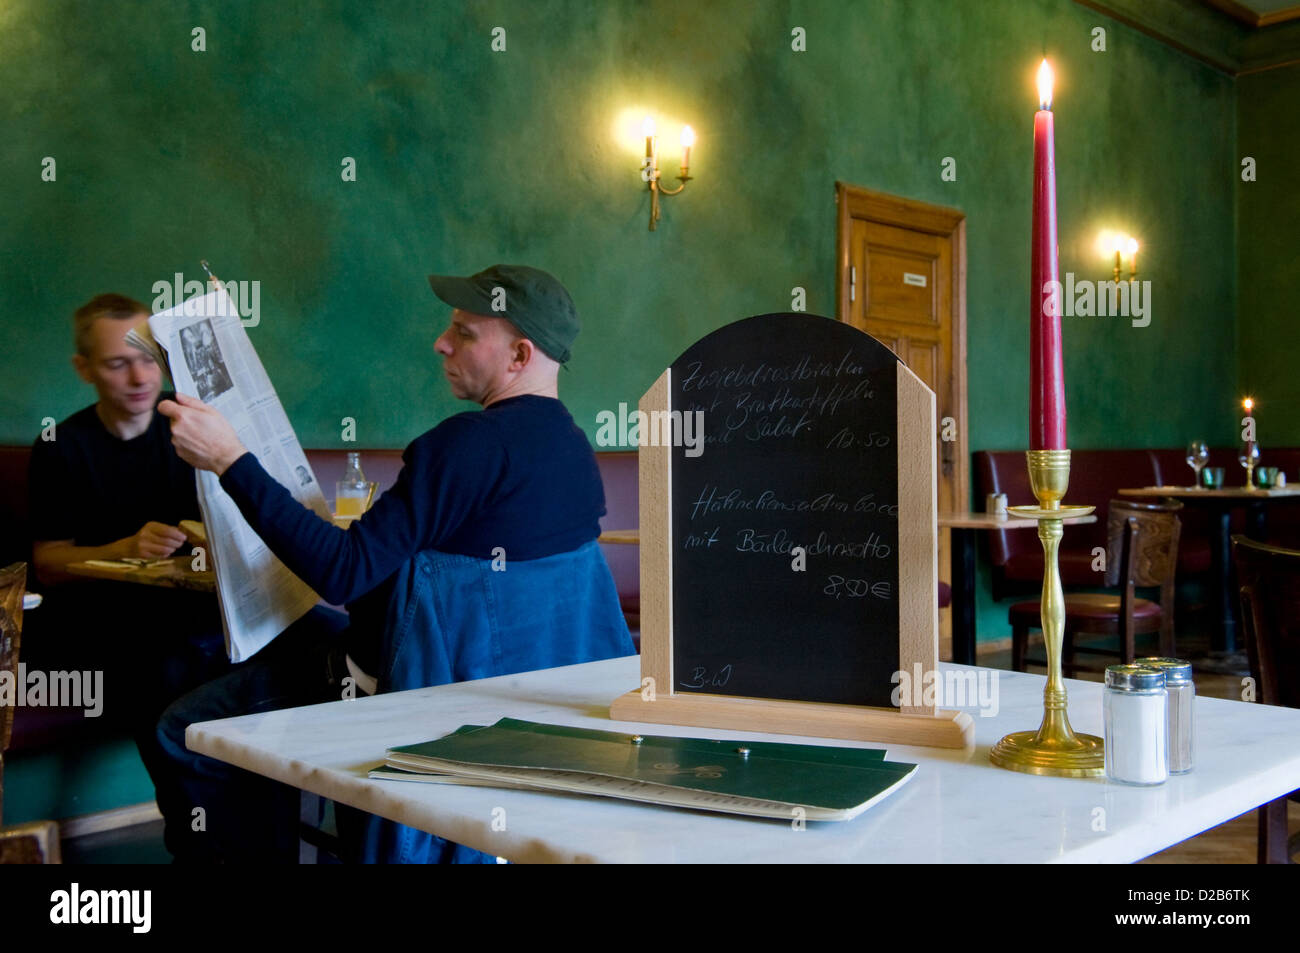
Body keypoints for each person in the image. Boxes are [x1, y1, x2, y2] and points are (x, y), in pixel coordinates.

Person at [156, 265, 632, 862]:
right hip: (513, 696)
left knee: (183, 729)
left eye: (462, 331)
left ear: (519, 354)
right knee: (284, 639)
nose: (441, 342)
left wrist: (230, 460)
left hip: (404, 687)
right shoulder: (572, 448)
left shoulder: (468, 445)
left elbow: (343, 574)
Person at [26, 293, 231, 853]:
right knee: (168, 669)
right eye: (118, 362)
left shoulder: (188, 424)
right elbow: (48, 563)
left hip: (191, 618)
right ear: (84, 369)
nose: (140, 375)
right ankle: (197, 837)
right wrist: (123, 548)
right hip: (100, 628)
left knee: (272, 650)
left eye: (148, 357)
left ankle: (241, 829)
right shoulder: (61, 447)